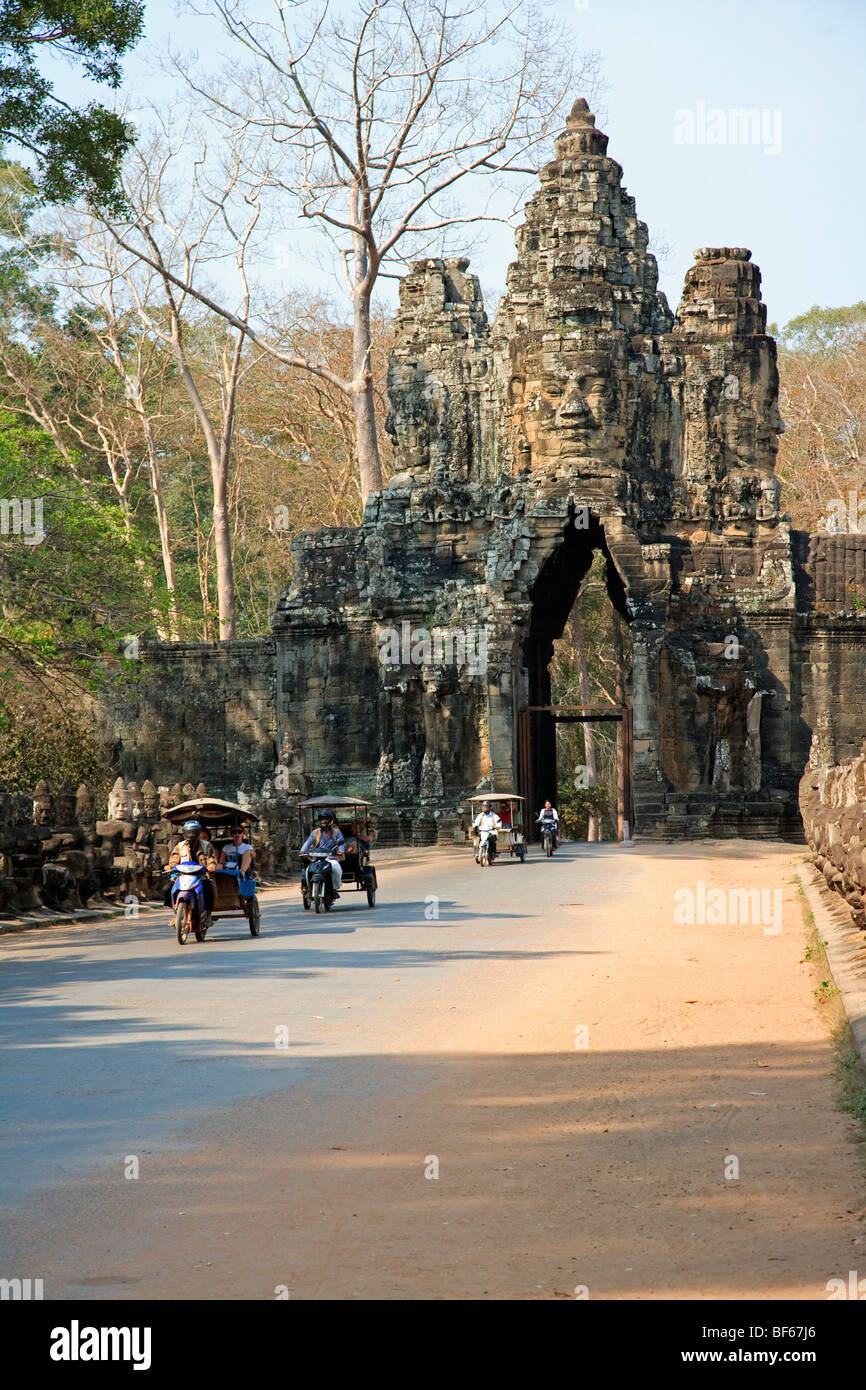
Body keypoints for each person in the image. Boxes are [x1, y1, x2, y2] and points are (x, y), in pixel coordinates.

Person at [167, 819, 218, 920]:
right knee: (167, 889)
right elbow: (174, 859)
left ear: (198, 832)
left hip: (201, 876)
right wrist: (171, 866)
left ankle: (207, 915)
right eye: (189, 832)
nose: (191, 834)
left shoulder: (206, 845)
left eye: (193, 831)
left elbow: (211, 858)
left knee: (209, 890)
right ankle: (176, 914)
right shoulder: (180, 846)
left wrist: (211, 866)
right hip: (182, 876)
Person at [300, 808, 345, 895]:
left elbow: (341, 843)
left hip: (331, 858)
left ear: (331, 820)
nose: (324, 820)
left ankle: (334, 889)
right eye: (322, 818)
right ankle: (308, 888)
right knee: (307, 871)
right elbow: (308, 843)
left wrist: (340, 851)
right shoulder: (315, 832)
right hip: (316, 858)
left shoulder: (336, 832)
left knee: (336, 868)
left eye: (326, 818)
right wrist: (303, 851)